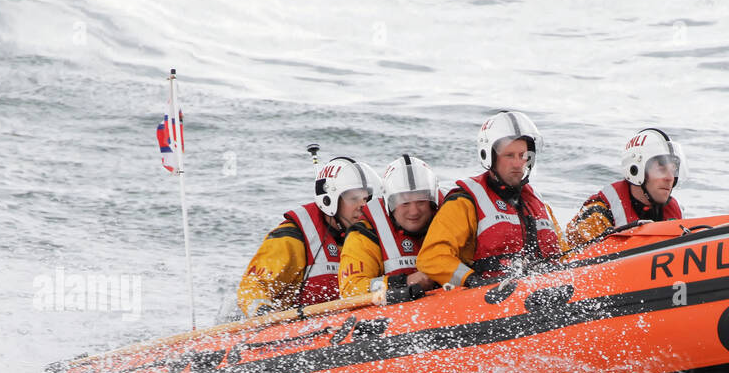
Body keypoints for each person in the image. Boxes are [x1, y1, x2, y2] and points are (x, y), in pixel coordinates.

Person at [416, 110, 564, 289]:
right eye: (509, 156)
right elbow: (431, 257)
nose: (518, 163)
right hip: (486, 296)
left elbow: (562, 251)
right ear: (490, 156)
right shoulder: (464, 202)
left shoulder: (538, 204)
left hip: (543, 291)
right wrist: (472, 281)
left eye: (523, 155)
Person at [235, 156, 381, 318]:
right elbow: (253, 286)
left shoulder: (367, 236)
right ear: (330, 199)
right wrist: (263, 312)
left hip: (344, 325)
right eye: (354, 198)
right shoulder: (292, 238)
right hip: (294, 329)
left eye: (366, 198)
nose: (363, 205)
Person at [338, 154, 442, 304]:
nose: (414, 211)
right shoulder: (364, 235)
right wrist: (403, 282)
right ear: (390, 203)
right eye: (405, 203)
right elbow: (351, 290)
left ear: (432, 202)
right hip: (393, 316)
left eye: (420, 202)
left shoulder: (448, 215)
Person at [565, 128, 685, 249]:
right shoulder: (597, 215)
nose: (670, 178)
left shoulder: (675, 212)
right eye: (662, 169)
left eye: (673, 170)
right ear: (636, 170)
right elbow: (572, 260)